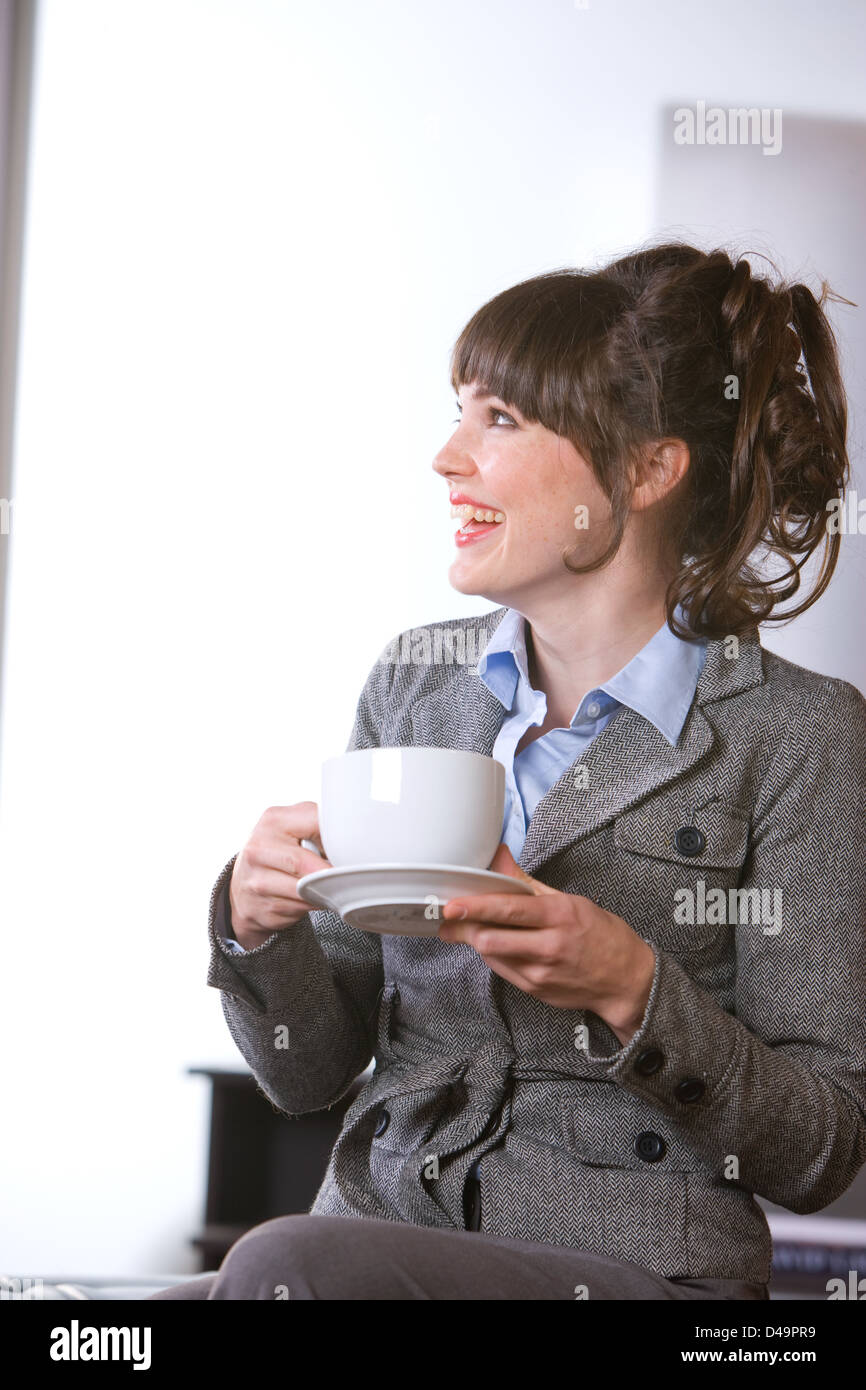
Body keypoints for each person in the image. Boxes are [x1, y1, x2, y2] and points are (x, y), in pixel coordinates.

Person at [151, 243, 866, 1300]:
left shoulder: (799, 734)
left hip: (633, 1273)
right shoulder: (416, 680)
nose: (446, 457)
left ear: (642, 469)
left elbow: (822, 1147)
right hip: (378, 1240)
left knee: (279, 1264)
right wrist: (257, 927)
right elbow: (305, 1073)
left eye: (499, 419)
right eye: (458, 411)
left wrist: (631, 990)